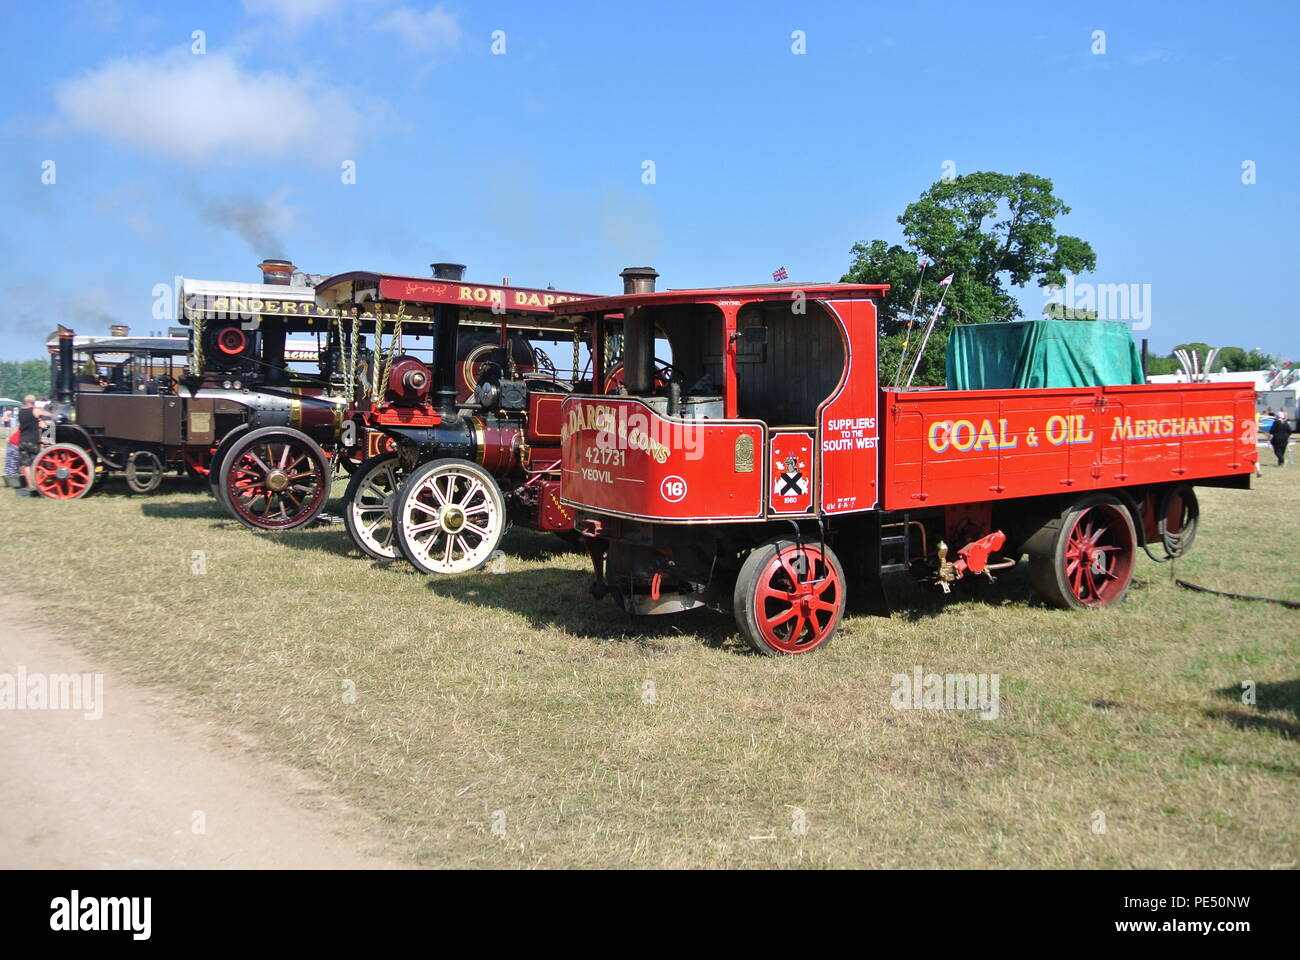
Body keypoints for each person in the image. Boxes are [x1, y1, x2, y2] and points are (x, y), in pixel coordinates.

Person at [16, 395, 50, 492]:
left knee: (26, 465)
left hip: (22, 441)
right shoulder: (34, 410)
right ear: (33, 402)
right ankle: (38, 484)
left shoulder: (20, 411)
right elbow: (49, 415)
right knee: (36, 463)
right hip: (33, 441)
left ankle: (30, 486)